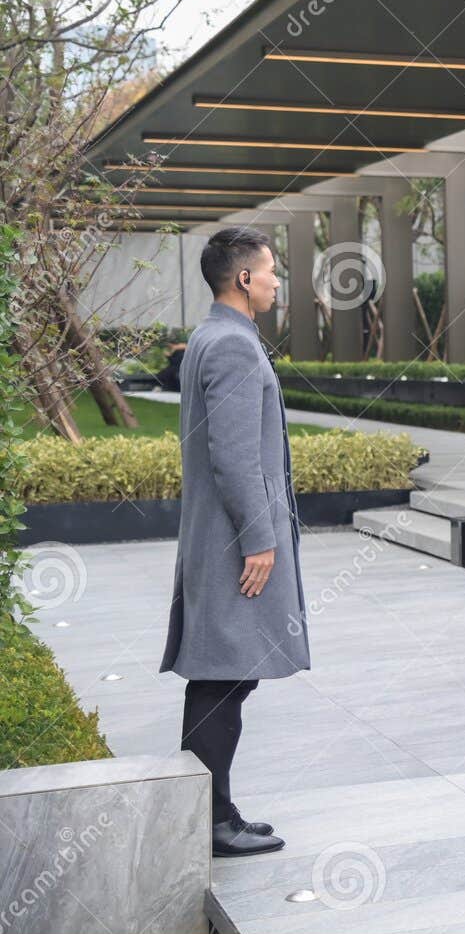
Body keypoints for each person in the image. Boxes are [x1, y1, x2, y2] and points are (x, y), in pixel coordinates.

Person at [160, 225, 306, 858]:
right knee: (223, 677)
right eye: (272, 270)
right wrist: (259, 538)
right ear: (244, 278)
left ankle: (215, 809)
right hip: (231, 542)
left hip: (217, 537)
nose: (277, 280)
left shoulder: (213, 336)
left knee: (228, 675)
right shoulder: (233, 347)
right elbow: (235, 457)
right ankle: (210, 821)